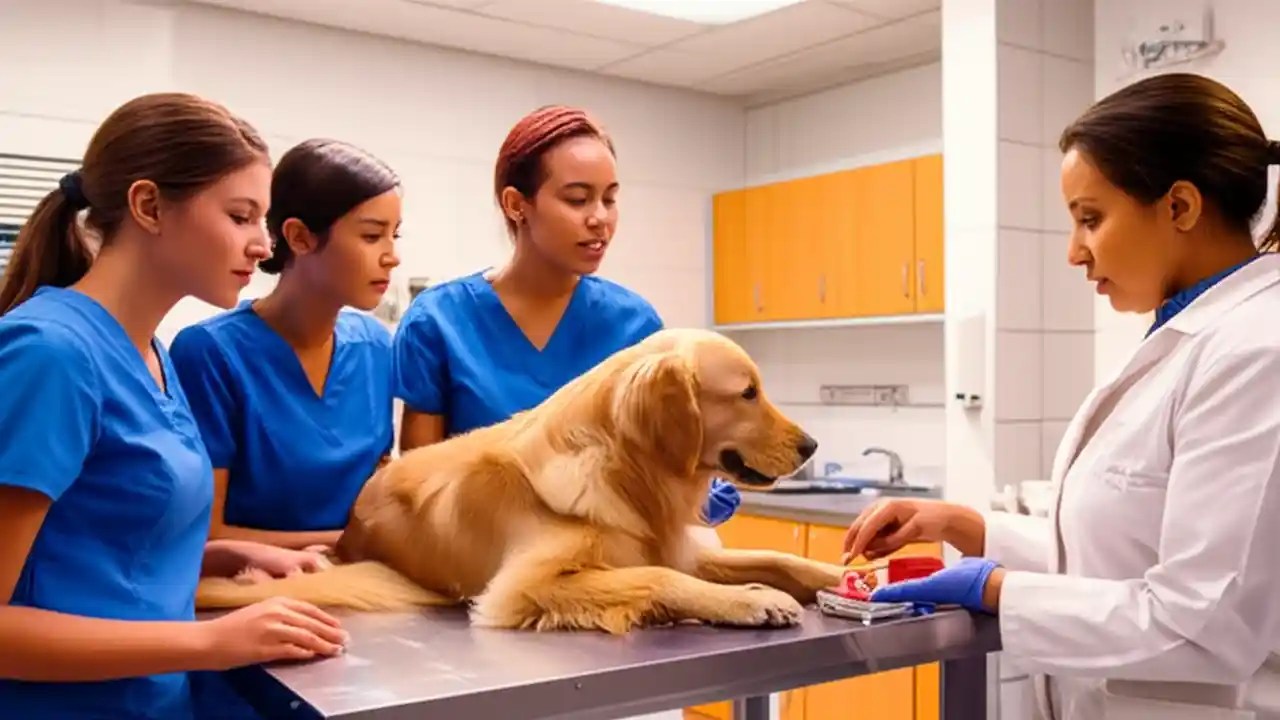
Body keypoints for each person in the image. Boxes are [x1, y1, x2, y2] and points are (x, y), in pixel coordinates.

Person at [842, 73, 1280, 720]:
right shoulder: (1186, 340)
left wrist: (996, 590)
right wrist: (963, 526)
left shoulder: (1255, 352)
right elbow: (1117, 558)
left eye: (1091, 219)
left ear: (1180, 207)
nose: (1076, 252)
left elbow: (1203, 625)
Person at [0, 93, 346, 720]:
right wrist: (211, 641)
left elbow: (93, 546)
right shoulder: (51, 355)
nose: (263, 246)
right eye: (241, 217)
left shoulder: (150, 352)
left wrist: (223, 554)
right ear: (149, 206)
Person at [392, 104, 741, 526]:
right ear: (517, 204)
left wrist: (691, 493)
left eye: (609, 199)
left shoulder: (634, 326)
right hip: (474, 564)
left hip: (608, 563)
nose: (600, 219)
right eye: (578, 199)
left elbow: (656, 471)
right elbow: (417, 489)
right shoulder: (439, 321)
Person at [168, 138, 401, 719]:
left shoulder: (376, 347)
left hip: (362, 616)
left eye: (397, 236)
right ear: (298, 238)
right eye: (372, 236)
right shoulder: (209, 353)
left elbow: (378, 492)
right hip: (242, 619)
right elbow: (208, 531)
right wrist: (339, 544)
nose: (391, 256)